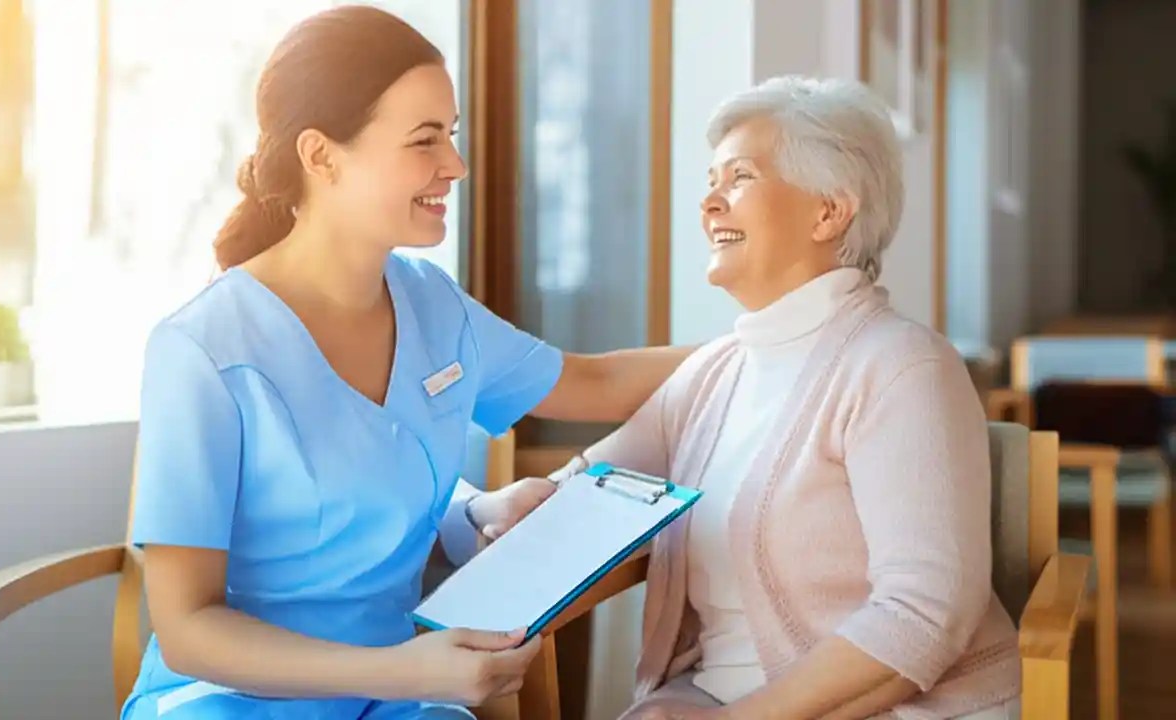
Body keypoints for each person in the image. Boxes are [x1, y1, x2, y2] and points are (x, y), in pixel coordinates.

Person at [120, 7, 691, 719]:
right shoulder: (202, 350)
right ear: (321, 156)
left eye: (451, 135)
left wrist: (778, 334)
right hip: (226, 698)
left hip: (397, 695)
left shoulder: (434, 307)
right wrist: (401, 672)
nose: (455, 166)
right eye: (425, 140)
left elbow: (593, 381)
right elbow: (186, 631)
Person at [542, 76, 1021, 719]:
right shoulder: (714, 374)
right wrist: (504, 507)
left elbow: (923, 614)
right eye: (711, 180)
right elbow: (578, 493)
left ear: (829, 212)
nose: (709, 202)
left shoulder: (903, 365)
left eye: (739, 177)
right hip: (715, 700)